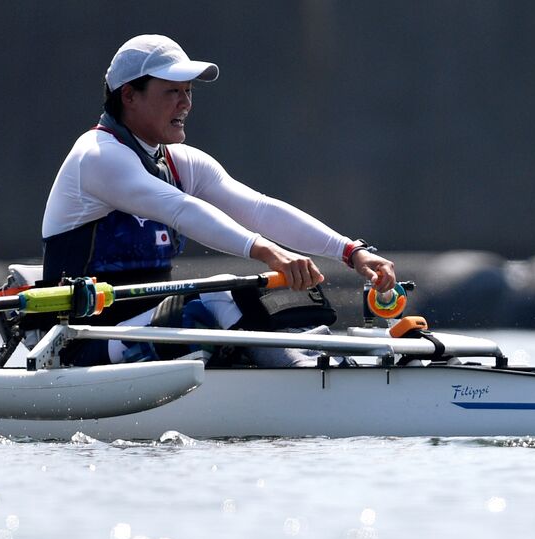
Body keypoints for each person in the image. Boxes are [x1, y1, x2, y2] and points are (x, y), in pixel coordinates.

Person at [40, 34, 397, 366]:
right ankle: (305, 374)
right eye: (172, 92)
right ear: (129, 96)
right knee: (217, 298)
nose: (185, 103)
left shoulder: (180, 162)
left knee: (274, 303)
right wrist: (268, 253)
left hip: (155, 330)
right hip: (77, 341)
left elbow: (259, 208)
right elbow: (181, 209)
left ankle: (316, 359)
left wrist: (351, 252)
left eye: (188, 91)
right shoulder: (98, 157)